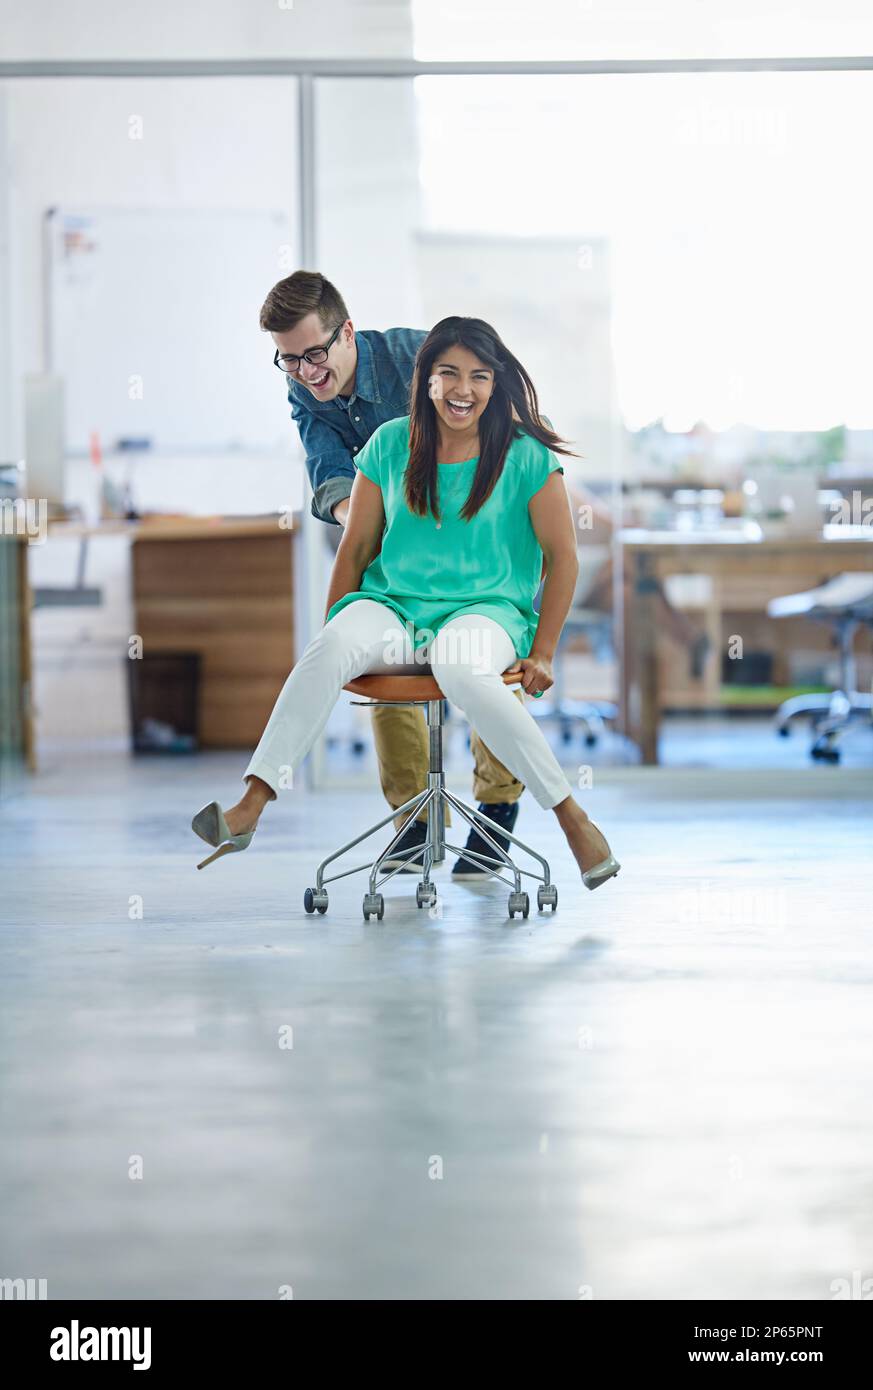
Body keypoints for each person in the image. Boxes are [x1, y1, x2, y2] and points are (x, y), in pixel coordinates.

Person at [191, 316, 620, 892]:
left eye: (478, 376)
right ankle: (251, 803)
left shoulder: (526, 455)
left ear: (495, 384)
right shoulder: (390, 442)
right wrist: (334, 638)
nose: (462, 390)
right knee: (334, 642)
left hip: (486, 611)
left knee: (460, 664)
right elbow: (356, 548)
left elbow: (562, 559)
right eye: (447, 374)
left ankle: (572, 819)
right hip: (394, 606)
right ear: (425, 381)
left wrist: (543, 652)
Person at [257, 271, 527, 878]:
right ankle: (416, 823)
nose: (305, 372)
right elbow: (330, 477)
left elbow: (500, 424)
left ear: (347, 332)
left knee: (478, 667)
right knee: (382, 659)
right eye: (289, 360)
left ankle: (496, 811)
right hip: (389, 551)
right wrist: (368, 523)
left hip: (475, 547)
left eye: (314, 354)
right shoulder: (304, 390)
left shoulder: (418, 356)